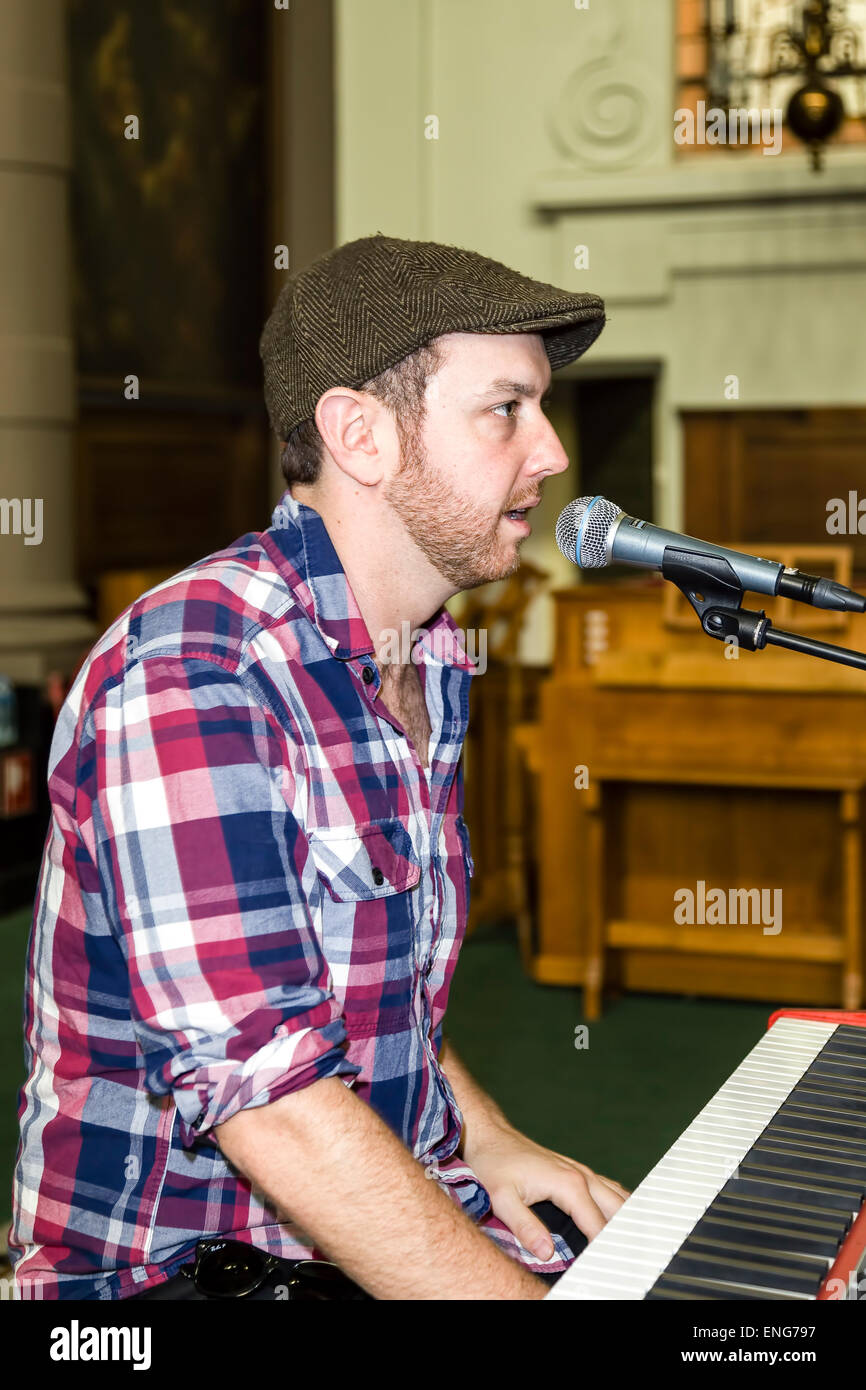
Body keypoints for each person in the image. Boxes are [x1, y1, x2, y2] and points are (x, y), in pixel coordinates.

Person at [10, 233, 627, 1301]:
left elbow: (367, 997)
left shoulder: (423, 659)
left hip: (358, 1216)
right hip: (173, 1279)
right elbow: (272, 1099)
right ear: (361, 435)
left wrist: (484, 1135)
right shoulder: (196, 673)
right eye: (506, 409)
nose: (552, 454)